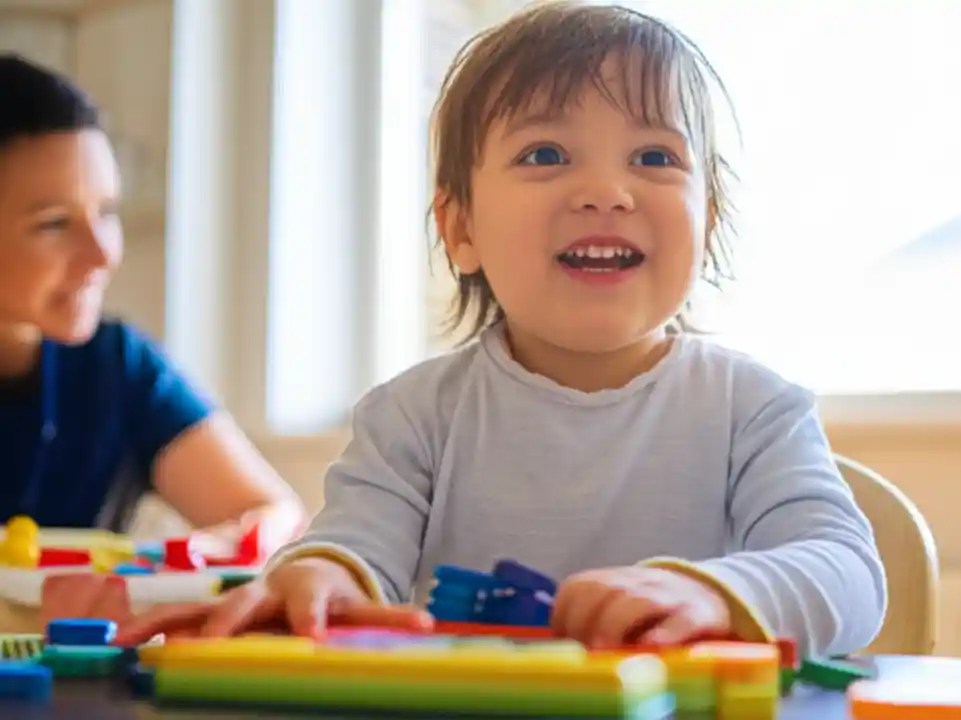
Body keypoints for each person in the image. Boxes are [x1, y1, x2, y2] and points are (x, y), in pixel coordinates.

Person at [119, 1, 887, 656]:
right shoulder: (414, 418)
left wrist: (710, 592)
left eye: (654, 156)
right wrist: (318, 578)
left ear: (707, 222)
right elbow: (354, 550)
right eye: (545, 153)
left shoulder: (753, 410)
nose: (607, 191)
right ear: (461, 230)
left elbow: (847, 571)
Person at [0, 55, 304, 567]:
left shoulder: (116, 365)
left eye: (107, 213)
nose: (103, 253)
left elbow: (271, 514)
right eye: (54, 223)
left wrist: (230, 546)